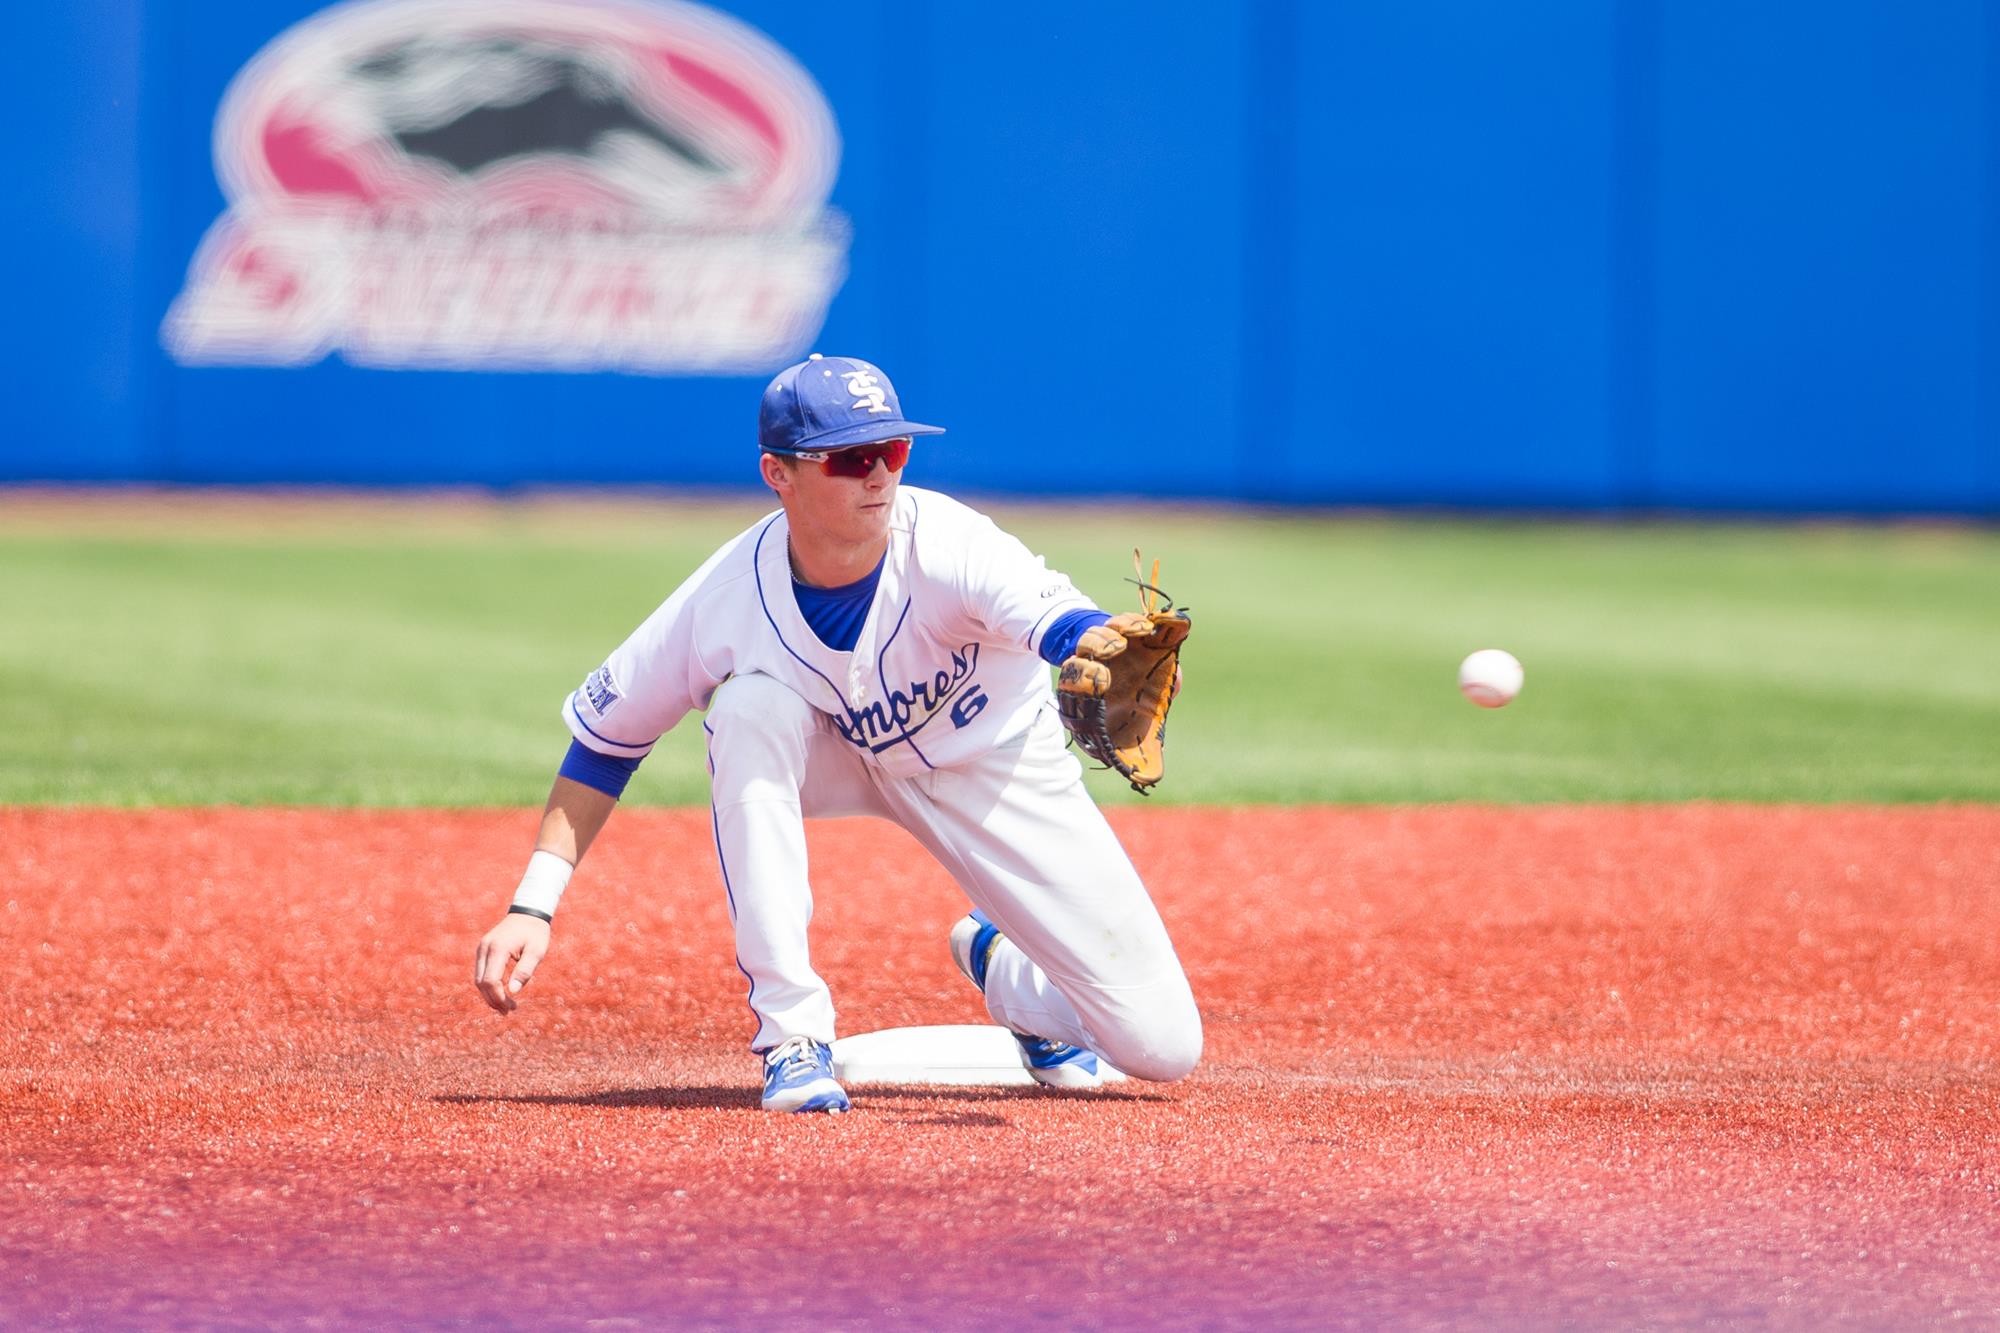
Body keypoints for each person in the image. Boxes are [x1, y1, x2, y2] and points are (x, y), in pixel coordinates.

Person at [473, 354, 1202, 1112]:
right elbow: (605, 740)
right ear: (777, 473)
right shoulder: (727, 595)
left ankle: (1009, 969)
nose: (879, 475)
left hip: (997, 766)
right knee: (749, 709)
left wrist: (1088, 636)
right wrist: (532, 904)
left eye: (892, 450)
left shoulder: (951, 542)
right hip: (841, 753)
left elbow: (1059, 623)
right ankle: (793, 1035)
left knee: (1164, 1048)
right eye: (852, 457)